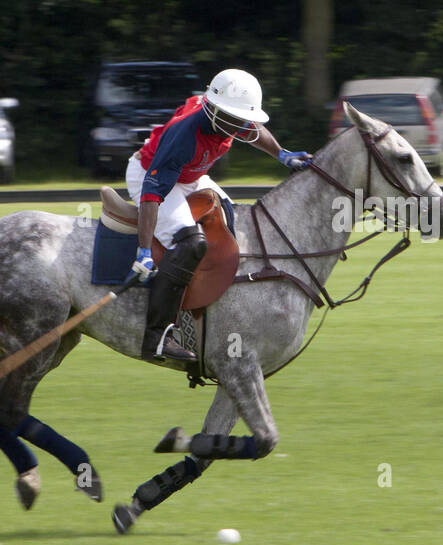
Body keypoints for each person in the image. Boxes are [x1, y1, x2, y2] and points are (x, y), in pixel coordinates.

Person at [127, 68, 312, 363]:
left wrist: (281, 154)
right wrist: (144, 250)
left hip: (192, 175)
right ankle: (157, 336)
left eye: (241, 118)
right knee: (191, 242)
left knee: (236, 221)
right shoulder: (184, 135)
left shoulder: (227, 116)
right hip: (150, 174)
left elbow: (252, 129)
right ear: (212, 109)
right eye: (233, 119)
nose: (239, 125)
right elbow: (152, 194)